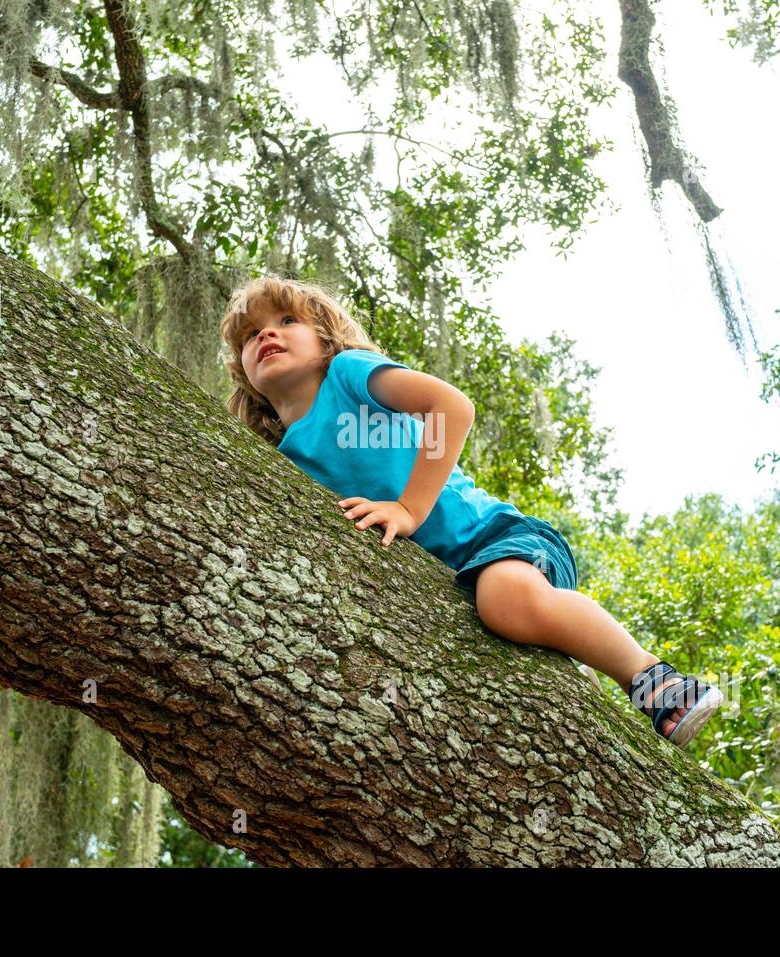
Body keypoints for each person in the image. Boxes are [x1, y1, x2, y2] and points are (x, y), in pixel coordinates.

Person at [218, 274, 723, 748]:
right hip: (450, 585)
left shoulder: (348, 376)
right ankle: (566, 653)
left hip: (495, 537)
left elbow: (452, 407)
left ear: (326, 340)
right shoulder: (281, 459)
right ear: (243, 371)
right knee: (497, 619)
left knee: (503, 599)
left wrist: (408, 510)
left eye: (287, 321)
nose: (268, 334)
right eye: (252, 333)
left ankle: (656, 681)